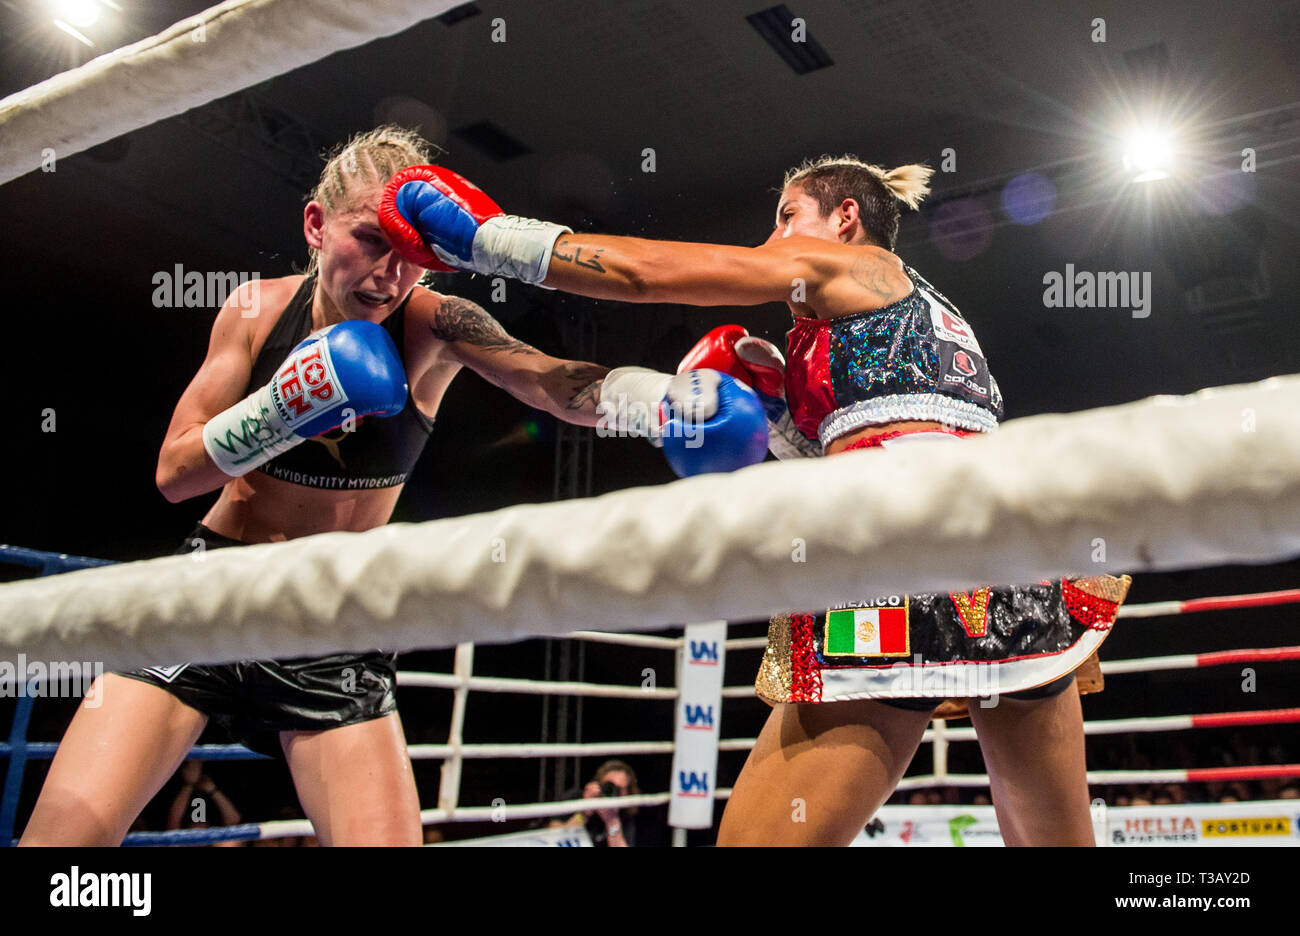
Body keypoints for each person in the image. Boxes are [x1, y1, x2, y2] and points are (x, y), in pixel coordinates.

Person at [19, 126, 765, 847]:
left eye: (413, 256)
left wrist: (658, 404)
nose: (389, 274)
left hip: (334, 627)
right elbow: (174, 475)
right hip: (209, 593)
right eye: (370, 242)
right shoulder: (253, 312)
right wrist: (281, 410)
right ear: (316, 225)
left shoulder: (434, 322)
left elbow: (548, 383)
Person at [380, 155, 1131, 846]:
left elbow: (648, 273)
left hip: (899, 558)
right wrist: (774, 418)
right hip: (1013, 566)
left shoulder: (850, 264)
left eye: (788, 214)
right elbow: (888, 435)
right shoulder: (908, 317)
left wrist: (489, 240)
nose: (773, 236)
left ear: (844, 217)